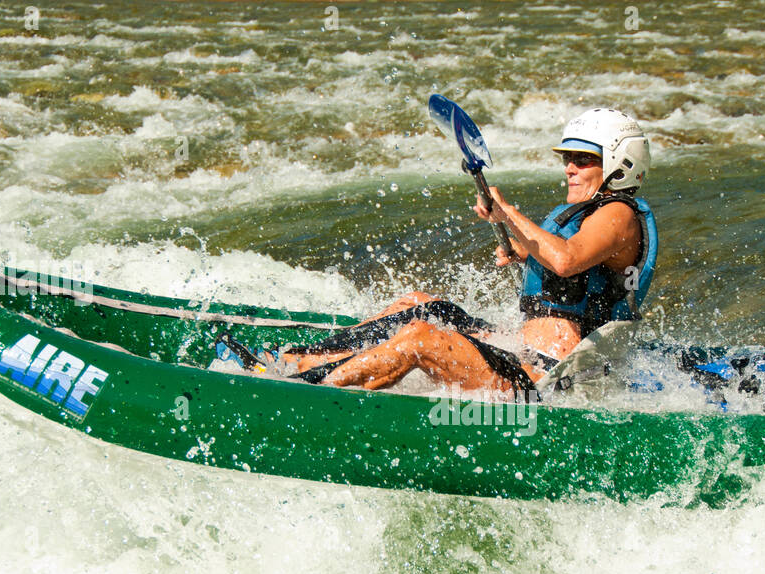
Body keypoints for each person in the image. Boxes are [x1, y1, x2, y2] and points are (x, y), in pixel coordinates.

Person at [276, 108, 658, 400]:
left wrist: (507, 212)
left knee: (420, 338)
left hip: (552, 378)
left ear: (620, 164)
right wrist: (522, 250)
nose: (570, 169)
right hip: (524, 351)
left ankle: (306, 393)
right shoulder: (593, 214)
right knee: (422, 305)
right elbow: (571, 269)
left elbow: (566, 259)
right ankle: (303, 360)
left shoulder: (620, 214)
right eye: (567, 159)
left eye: (584, 159)